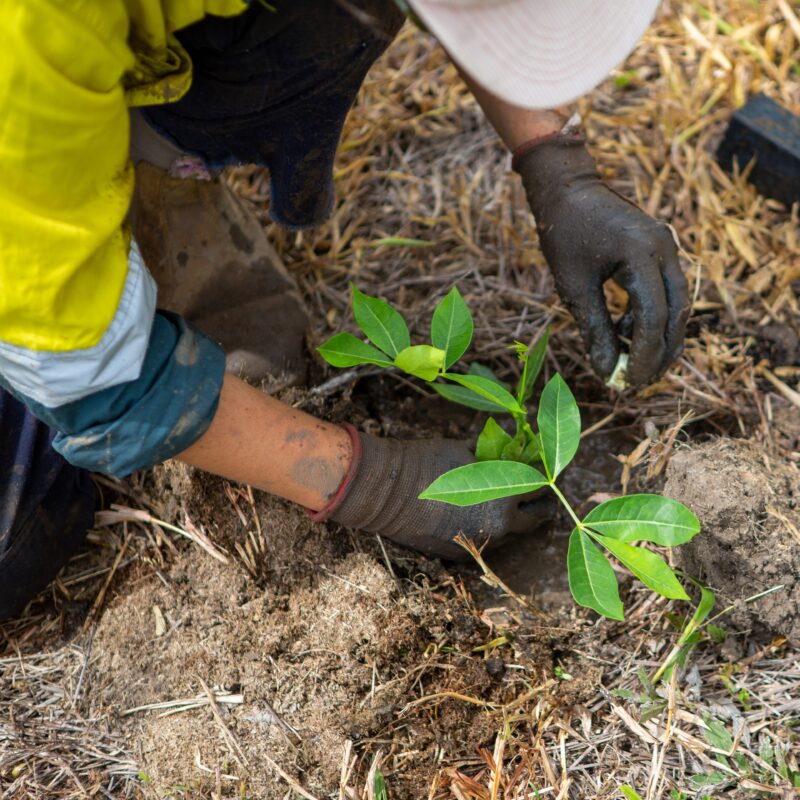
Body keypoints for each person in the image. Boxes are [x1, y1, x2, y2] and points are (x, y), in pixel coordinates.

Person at [0, 0, 689, 620]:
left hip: (55, 101)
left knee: (330, 17)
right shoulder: (32, 34)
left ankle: (138, 174)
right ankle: (79, 221)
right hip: (25, 118)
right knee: (17, 545)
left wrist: (556, 164)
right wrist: (380, 485)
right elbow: (82, 376)